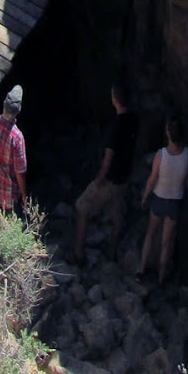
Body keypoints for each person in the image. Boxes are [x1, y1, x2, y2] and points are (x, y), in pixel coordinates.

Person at [74, 78, 138, 265]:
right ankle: (112, 252)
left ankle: (78, 255)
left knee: (81, 208)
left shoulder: (116, 127)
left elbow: (108, 159)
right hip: (123, 179)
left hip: (109, 179)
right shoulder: (134, 121)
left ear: (114, 100)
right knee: (116, 216)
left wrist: (98, 180)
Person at [139, 114, 188, 284]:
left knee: (151, 233)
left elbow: (152, 179)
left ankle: (141, 268)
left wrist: (145, 197)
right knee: (166, 243)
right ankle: (161, 277)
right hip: (175, 202)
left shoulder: (161, 155)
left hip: (159, 199)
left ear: (168, 133)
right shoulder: (187, 155)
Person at [0, 85, 28, 216]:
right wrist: (24, 196)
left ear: (4, 104)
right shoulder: (17, 137)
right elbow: (20, 172)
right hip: (9, 198)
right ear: (18, 111)